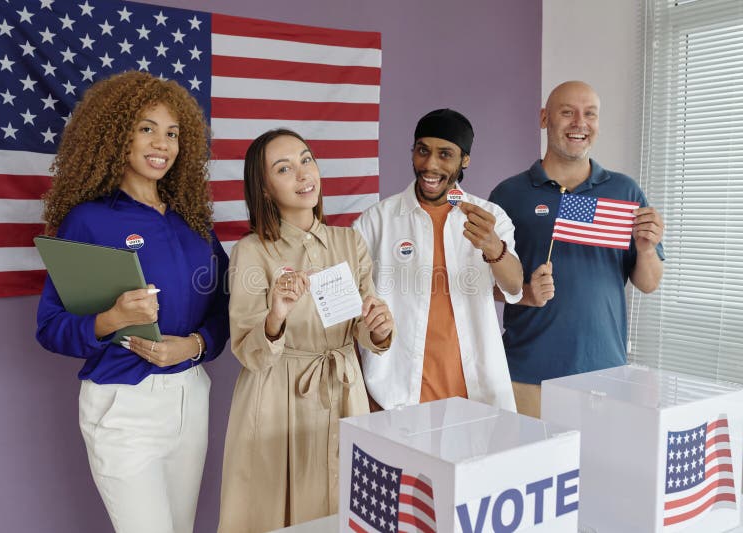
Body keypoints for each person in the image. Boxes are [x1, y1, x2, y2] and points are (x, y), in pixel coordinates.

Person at [36, 71, 230, 533]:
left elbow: (228, 308)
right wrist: (111, 319)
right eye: (147, 128)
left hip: (190, 397)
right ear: (117, 135)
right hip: (124, 407)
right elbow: (49, 326)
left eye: (172, 133)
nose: (161, 143)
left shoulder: (195, 222)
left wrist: (196, 346)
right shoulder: (89, 221)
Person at [218, 128, 394, 532]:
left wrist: (379, 328)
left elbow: (365, 328)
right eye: (284, 168)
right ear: (264, 188)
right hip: (277, 398)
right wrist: (276, 316)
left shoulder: (350, 242)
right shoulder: (252, 250)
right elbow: (248, 350)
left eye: (306, 159)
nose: (302, 174)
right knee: (272, 511)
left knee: (344, 505)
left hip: (345, 389)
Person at [489, 80, 665, 418]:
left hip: (606, 376)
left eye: (590, 114)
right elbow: (480, 283)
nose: (579, 123)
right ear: (544, 119)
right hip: (527, 375)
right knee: (532, 470)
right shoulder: (508, 194)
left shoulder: (624, 192)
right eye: (567, 113)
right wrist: (526, 292)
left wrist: (645, 249)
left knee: (602, 471)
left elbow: (649, 283)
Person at [353, 109, 523, 411]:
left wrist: (493, 248)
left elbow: (514, 286)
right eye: (422, 151)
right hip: (396, 391)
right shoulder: (377, 220)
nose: (430, 165)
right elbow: (354, 308)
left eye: (445, 154)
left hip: (475, 391)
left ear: (464, 161)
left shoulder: (489, 216)